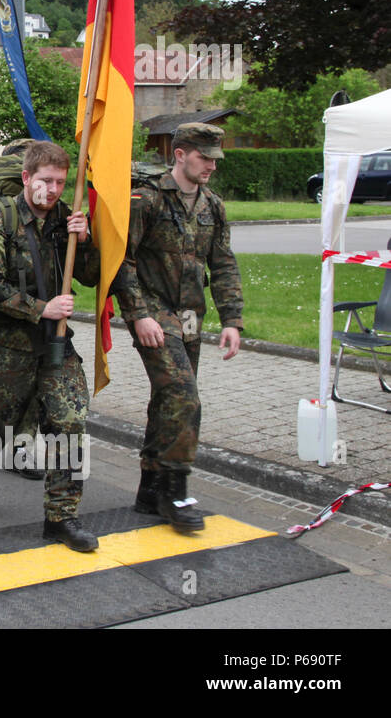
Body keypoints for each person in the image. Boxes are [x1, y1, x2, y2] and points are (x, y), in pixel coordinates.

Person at [0, 141, 102, 552]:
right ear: (26, 178)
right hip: (7, 341)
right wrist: (42, 307)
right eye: (44, 181)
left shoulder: (66, 221)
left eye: (59, 182)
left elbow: (89, 277)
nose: (52, 190)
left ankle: (61, 517)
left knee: (69, 424)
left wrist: (85, 240)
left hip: (55, 345)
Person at [114, 122, 243, 532]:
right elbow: (122, 260)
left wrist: (232, 320)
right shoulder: (145, 199)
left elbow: (223, 263)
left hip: (189, 316)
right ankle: (176, 488)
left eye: (215, 160)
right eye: (205, 158)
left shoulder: (212, 206)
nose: (212, 167)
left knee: (168, 398)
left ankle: (150, 488)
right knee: (185, 396)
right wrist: (138, 314)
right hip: (153, 312)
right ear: (180, 153)